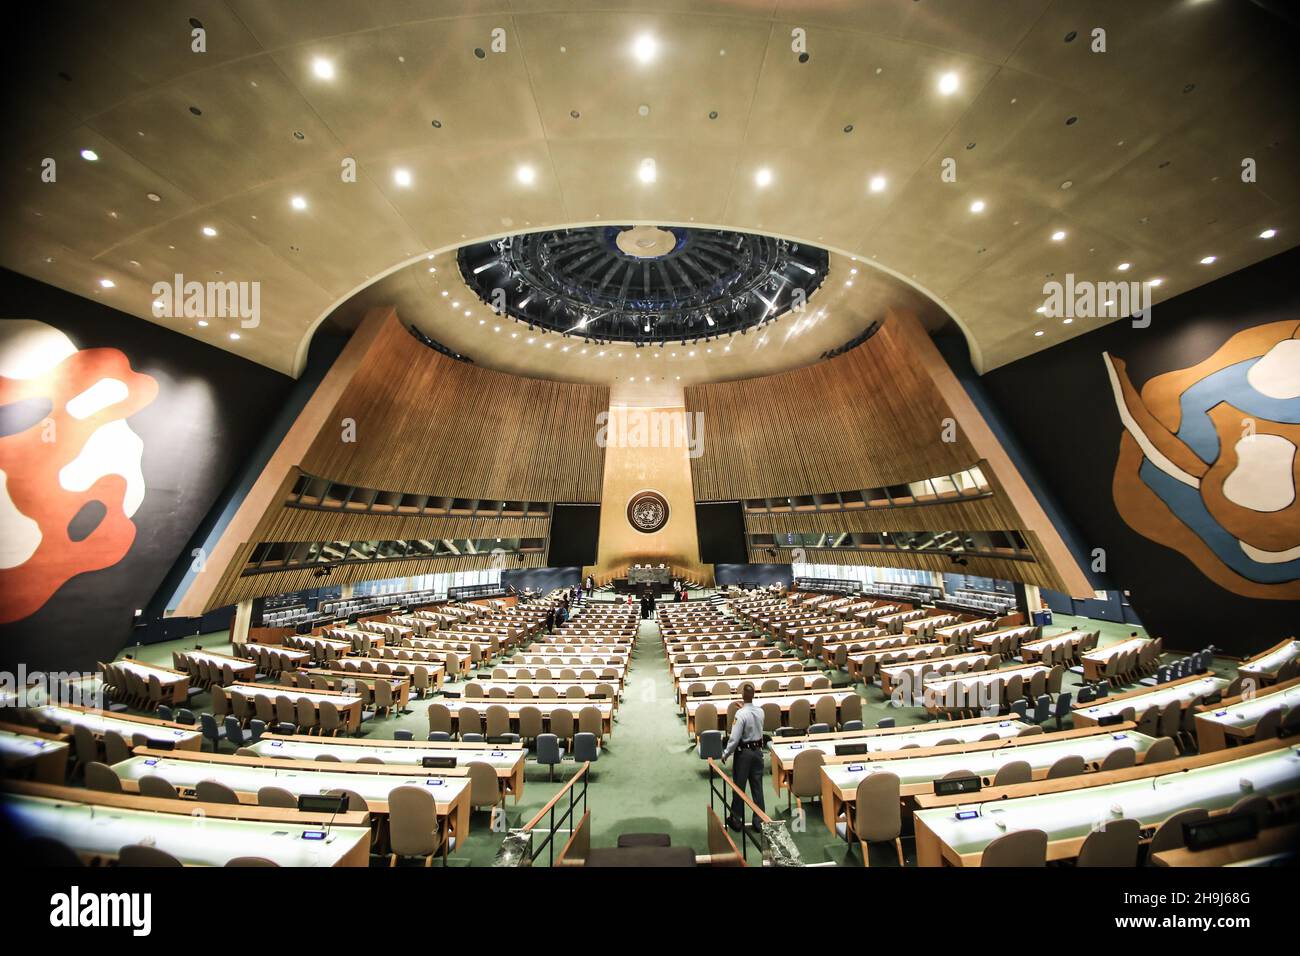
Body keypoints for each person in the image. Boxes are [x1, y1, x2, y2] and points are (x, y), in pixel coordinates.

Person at [720, 683, 766, 833]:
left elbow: (734, 738)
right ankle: (759, 821)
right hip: (758, 752)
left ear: (742, 696)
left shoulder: (740, 715)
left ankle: (736, 819)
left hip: (744, 755)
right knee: (757, 787)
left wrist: (725, 753)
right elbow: (751, 717)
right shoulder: (760, 711)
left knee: (739, 787)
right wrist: (743, 709)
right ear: (753, 696)